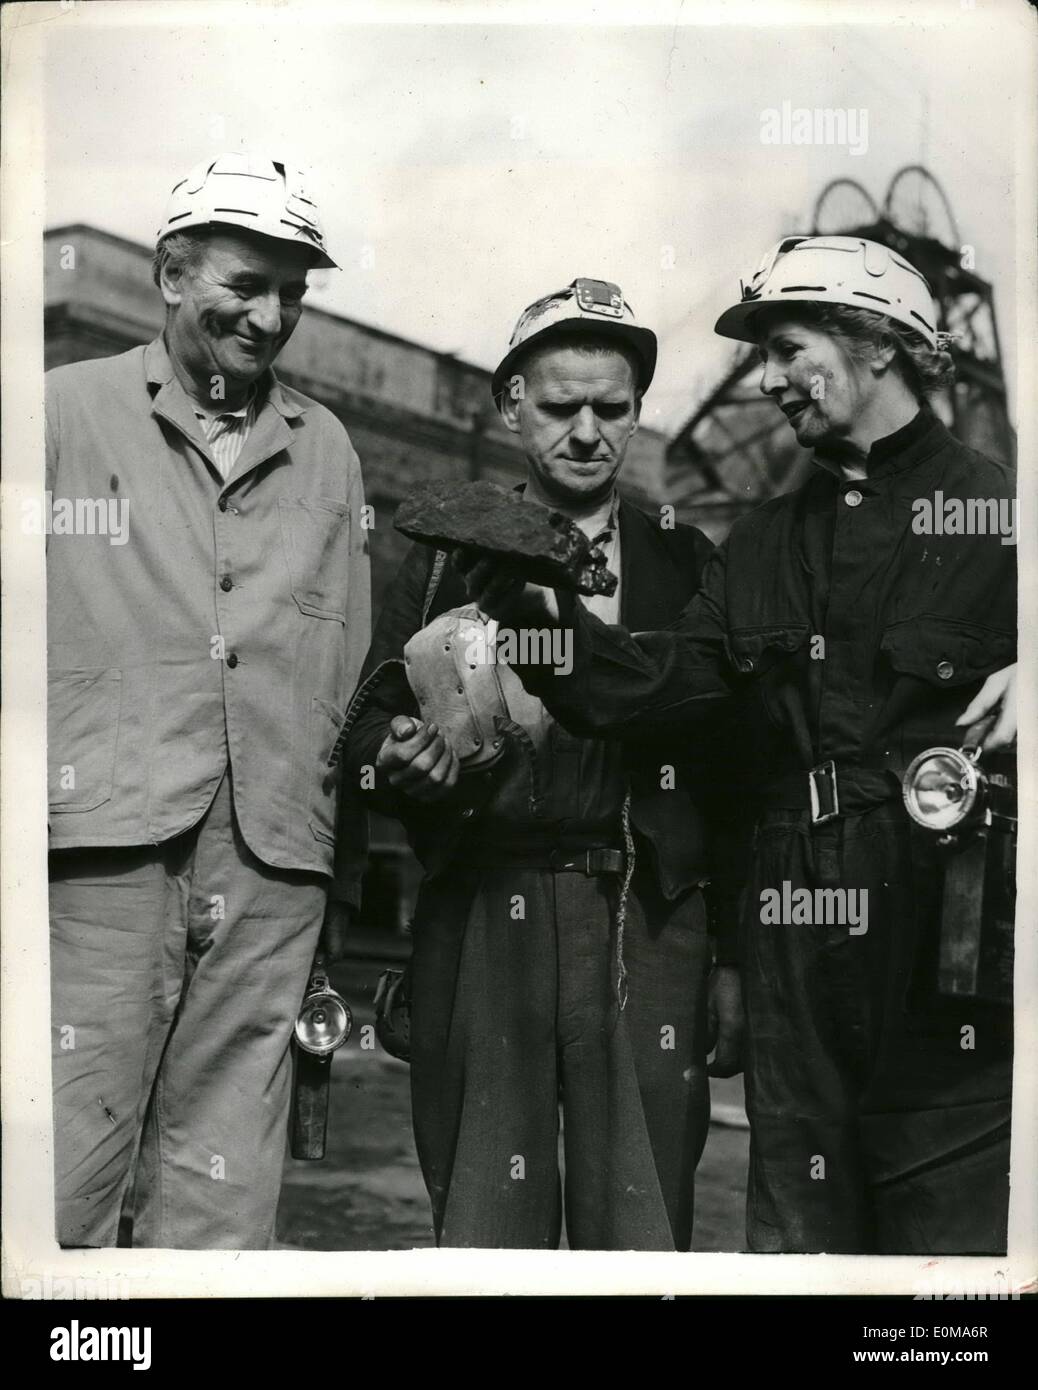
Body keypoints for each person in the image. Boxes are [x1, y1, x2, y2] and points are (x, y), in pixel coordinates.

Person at [463, 237, 1017, 1254]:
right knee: (797, 1212)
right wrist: (538, 625)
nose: (765, 382)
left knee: (946, 1206)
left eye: (788, 349)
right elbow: (661, 688)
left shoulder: (999, 515)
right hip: (791, 902)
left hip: (942, 902)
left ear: (878, 344)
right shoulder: (763, 540)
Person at [342, 278, 744, 1249]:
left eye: (613, 408)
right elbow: (362, 729)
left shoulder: (688, 562)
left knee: (640, 1232)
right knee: (486, 1226)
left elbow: (737, 770)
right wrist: (398, 757)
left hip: (643, 918)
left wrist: (731, 957)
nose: (587, 432)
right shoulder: (442, 555)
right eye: (560, 405)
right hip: (486, 907)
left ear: (640, 411)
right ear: (511, 403)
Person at [46, 153, 371, 1249]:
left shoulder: (325, 449)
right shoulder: (61, 413)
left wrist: (327, 848)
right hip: (97, 845)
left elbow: (345, 663)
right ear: (172, 273)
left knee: (224, 1198)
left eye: (293, 292)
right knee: (62, 1173)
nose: (271, 315)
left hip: (274, 862)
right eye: (246, 283)